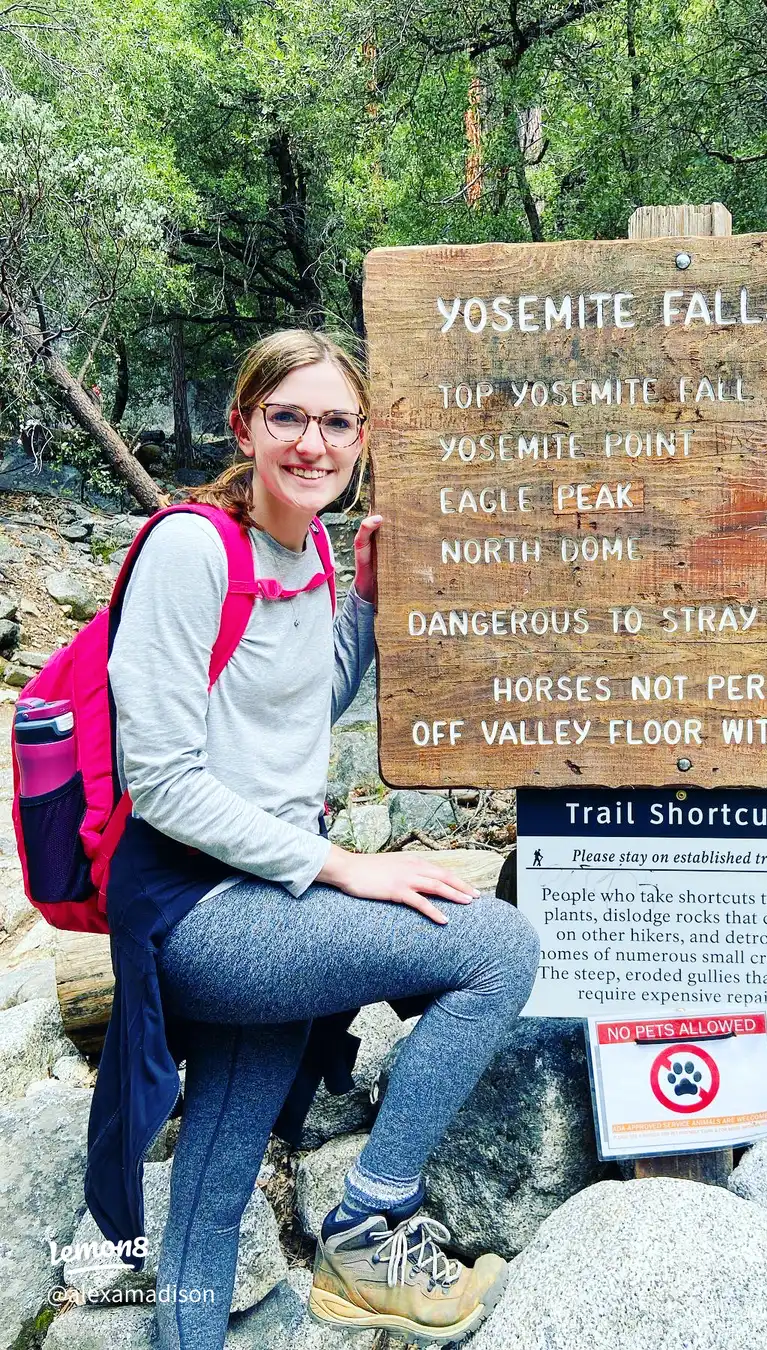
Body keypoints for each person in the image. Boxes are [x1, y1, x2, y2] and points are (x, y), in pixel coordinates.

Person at [101, 329, 541, 1349]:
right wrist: (345, 866)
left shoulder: (305, 550)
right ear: (243, 424)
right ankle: (367, 1219)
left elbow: (303, 707)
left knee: (208, 1202)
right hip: (200, 913)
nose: (313, 443)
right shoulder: (189, 547)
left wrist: (367, 605)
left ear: (364, 437)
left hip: (264, 906)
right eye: (288, 417)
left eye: (336, 422)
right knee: (497, 946)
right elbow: (159, 780)